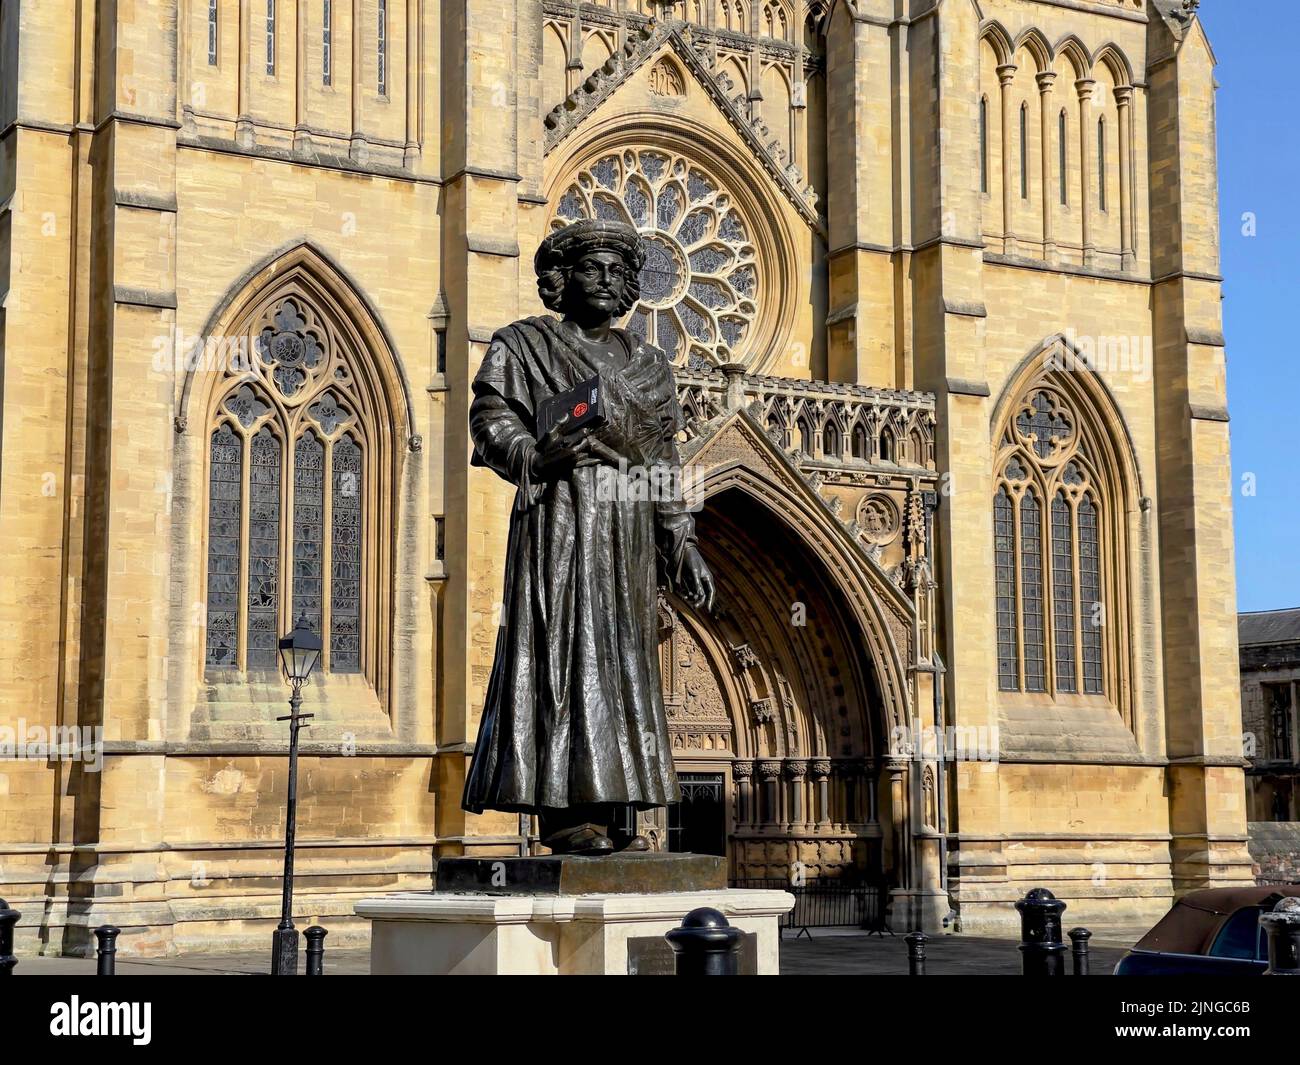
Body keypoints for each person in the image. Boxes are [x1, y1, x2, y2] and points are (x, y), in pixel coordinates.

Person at [462, 219, 716, 855]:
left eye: (617, 270)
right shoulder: (521, 345)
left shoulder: (651, 365)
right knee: (564, 654)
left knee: (624, 661)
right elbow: (491, 420)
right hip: (562, 521)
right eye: (590, 267)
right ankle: (565, 813)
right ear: (560, 279)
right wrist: (534, 456)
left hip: (628, 534)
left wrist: (681, 539)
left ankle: (614, 804)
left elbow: (662, 457)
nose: (605, 279)